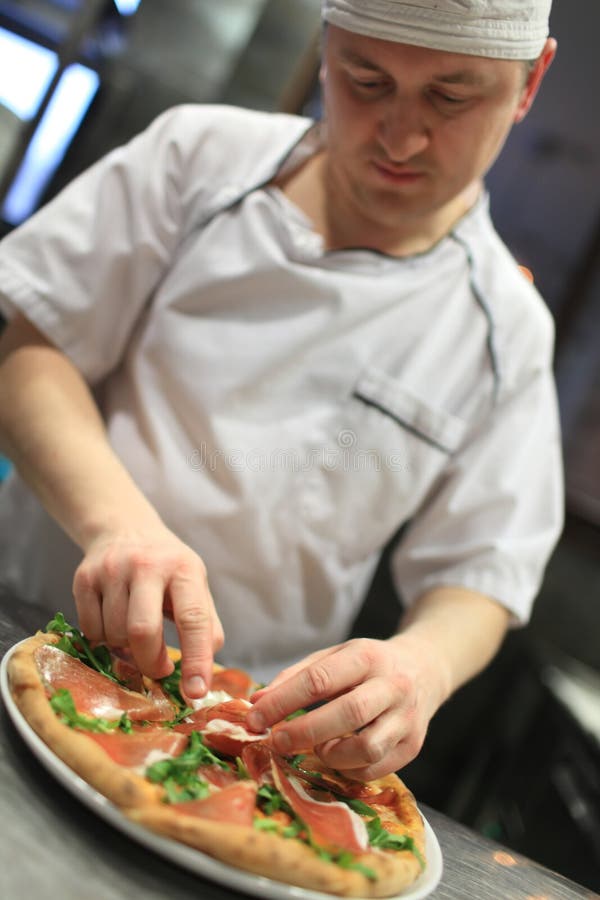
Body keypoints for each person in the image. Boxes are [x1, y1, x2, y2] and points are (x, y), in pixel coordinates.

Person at [0, 0, 562, 780]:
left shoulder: (506, 329)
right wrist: (118, 526)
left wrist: (421, 668)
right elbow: (30, 350)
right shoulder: (199, 158)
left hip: (242, 728)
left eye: (450, 97)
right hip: (24, 619)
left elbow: (480, 576)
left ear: (530, 81)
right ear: (328, 49)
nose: (400, 136)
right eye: (366, 81)